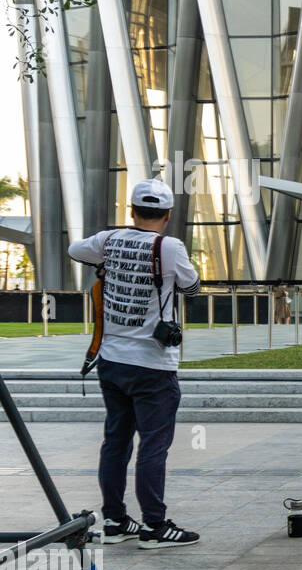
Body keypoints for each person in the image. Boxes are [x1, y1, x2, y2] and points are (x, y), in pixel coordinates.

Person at [67, 178, 202, 548]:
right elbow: (192, 288)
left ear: (131, 211)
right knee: (153, 446)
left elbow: (75, 250)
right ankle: (154, 527)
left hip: (111, 361)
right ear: (168, 214)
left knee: (115, 442)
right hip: (153, 364)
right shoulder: (169, 246)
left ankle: (114, 521)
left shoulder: (108, 240)